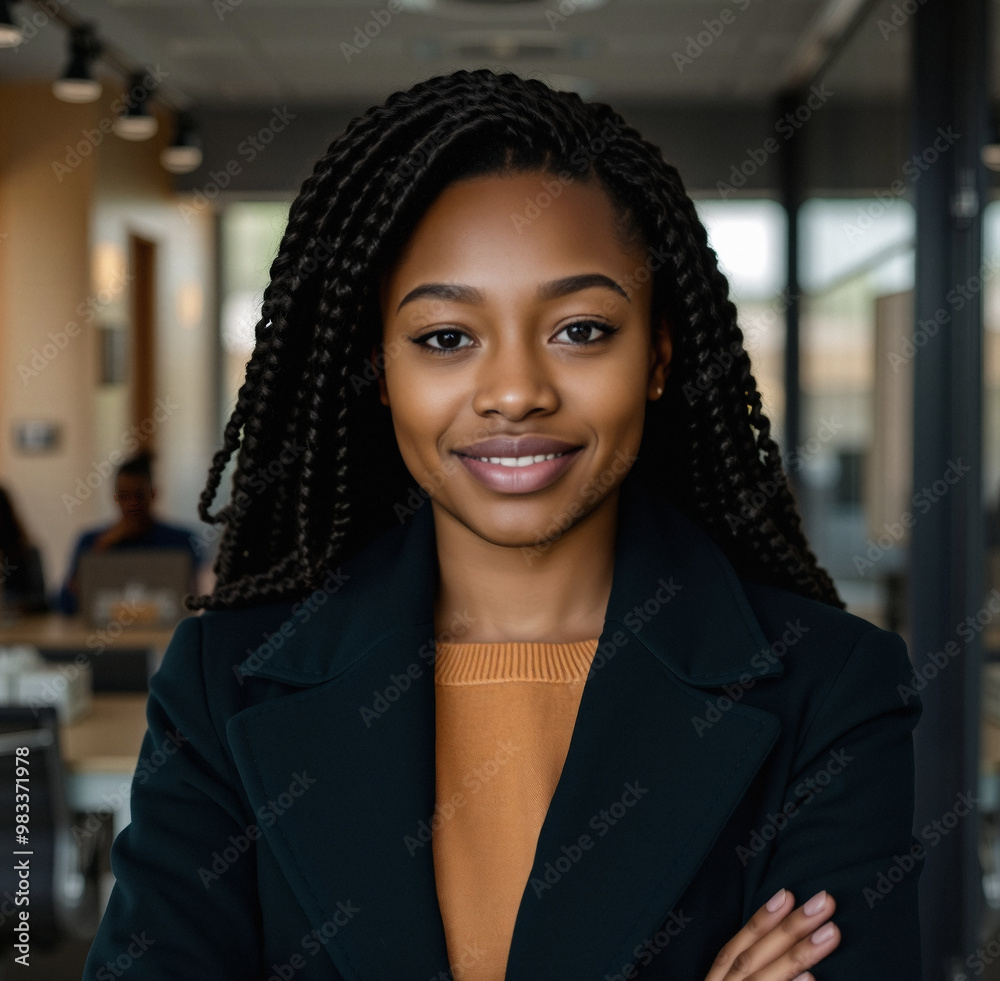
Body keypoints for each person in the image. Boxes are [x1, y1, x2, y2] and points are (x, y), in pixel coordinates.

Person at [83, 69, 922, 980]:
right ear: (380, 368)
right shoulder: (223, 686)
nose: (516, 391)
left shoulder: (834, 689)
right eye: (446, 337)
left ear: (660, 354)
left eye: (582, 329)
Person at [57, 450, 199, 615]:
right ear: (115, 497)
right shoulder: (91, 541)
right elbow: (65, 604)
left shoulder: (181, 540)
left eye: (139, 496)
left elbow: (192, 597)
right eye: (125, 496)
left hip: (164, 635)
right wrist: (99, 552)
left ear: (153, 495)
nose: (132, 504)